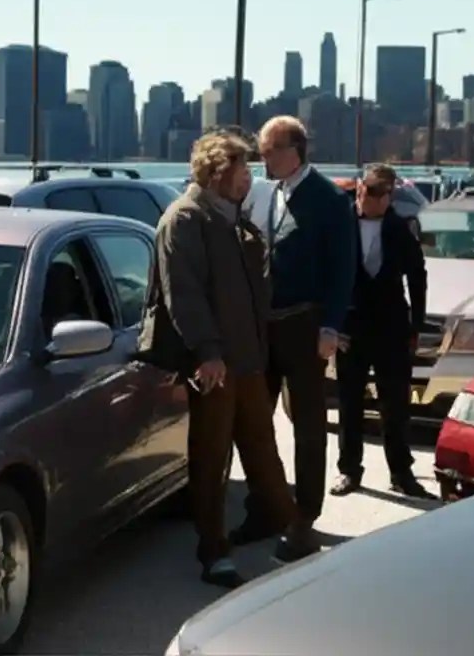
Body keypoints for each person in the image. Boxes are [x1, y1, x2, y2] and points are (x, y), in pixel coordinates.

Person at [136, 132, 316, 587]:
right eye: (242, 170)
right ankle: (213, 551)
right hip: (211, 365)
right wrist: (208, 353)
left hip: (248, 360)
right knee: (211, 456)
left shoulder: (235, 221)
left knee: (262, 450)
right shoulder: (185, 220)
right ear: (218, 172)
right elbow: (185, 296)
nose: (249, 178)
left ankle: (293, 531)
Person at [233, 116, 355, 554]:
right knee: (254, 422)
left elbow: (344, 269)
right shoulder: (271, 193)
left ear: (295, 150)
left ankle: (305, 516)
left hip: (306, 325)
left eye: (268, 151)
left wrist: (331, 327)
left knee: (308, 425)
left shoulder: (328, 199)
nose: (262, 159)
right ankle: (265, 506)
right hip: (267, 325)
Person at [330, 164, 433, 499]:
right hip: (350, 328)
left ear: (389, 196)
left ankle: (401, 472)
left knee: (395, 405)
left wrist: (416, 325)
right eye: (366, 190)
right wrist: (327, 324)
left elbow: (417, 277)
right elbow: (325, 276)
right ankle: (349, 470)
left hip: (391, 328)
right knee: (349, 402)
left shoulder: (400, 229)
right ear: (358, 188)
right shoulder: (340, 224)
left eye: (378, 193)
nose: (370, 198)